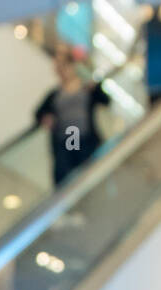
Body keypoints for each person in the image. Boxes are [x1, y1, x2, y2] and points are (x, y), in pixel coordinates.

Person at [36, 47, 111, 186]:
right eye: (59, 68)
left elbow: (106, 101)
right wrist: (46, 118)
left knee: (88, 178)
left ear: (72, 66)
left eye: (64, 66)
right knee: (66, 179)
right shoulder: (55, 94)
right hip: (65, 143)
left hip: (86, 140)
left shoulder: (86, 86)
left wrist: (95, 87)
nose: (62, 71)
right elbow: (38, 113)